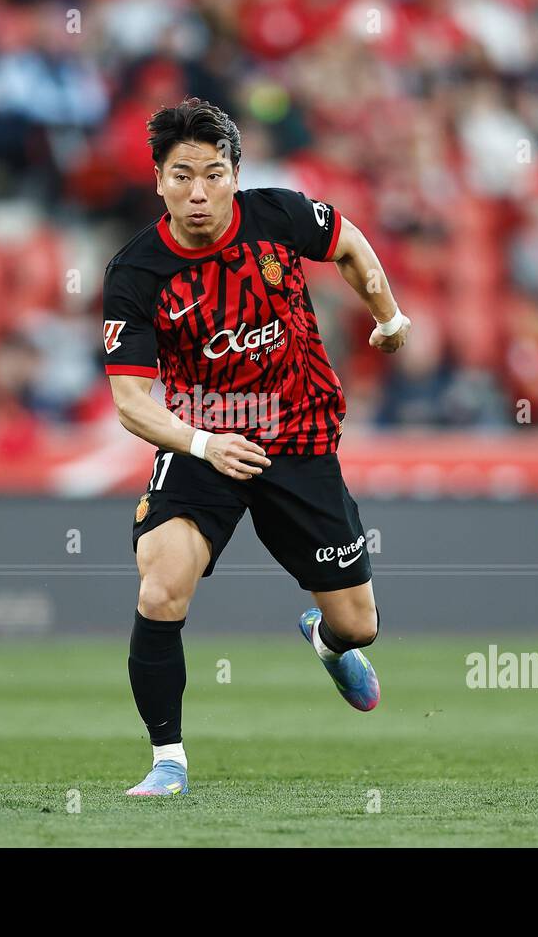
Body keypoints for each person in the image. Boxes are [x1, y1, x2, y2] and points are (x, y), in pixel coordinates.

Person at [103, 98, 411, 796]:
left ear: (236, 174)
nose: (199, 192)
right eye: (182, 176)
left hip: (298, 436)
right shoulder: (136, 272)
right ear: (158, 181)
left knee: (359, 625)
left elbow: (353, 246)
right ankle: (168, 762)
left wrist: (388, 316)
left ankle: (325, 642)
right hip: (201, 436)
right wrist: (204, 444)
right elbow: (129, 403)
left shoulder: (279, 217)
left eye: (213, 174)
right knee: (160, 588)